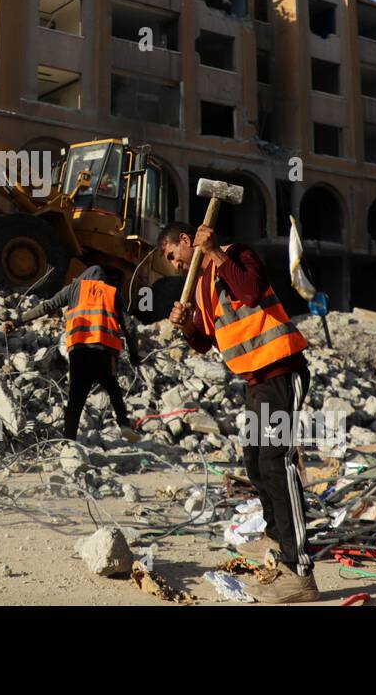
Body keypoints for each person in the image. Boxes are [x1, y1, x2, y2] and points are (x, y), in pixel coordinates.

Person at [159, 220, 317, 603]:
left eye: (172, 255)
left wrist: (213, 252)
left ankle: (301, 573)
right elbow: (205, 340)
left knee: (278, 464)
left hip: (282, 371)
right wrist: (186, 327)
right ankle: (276, 539)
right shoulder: (200, 286)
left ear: (185, 241)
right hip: (256, 382)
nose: (174, 264)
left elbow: (249, 290)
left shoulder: (236, 254)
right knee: (256, 463)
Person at [3, 266, 142, 444]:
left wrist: (18, 321)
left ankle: (68, 441)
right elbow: (129, 326)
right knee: (113, 389)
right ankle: (124, 425)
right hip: (104, 352)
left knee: (76, 398)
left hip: (80, 351)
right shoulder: (112, 292)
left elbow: (47, 306)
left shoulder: (74, 288)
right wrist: (134, 354)